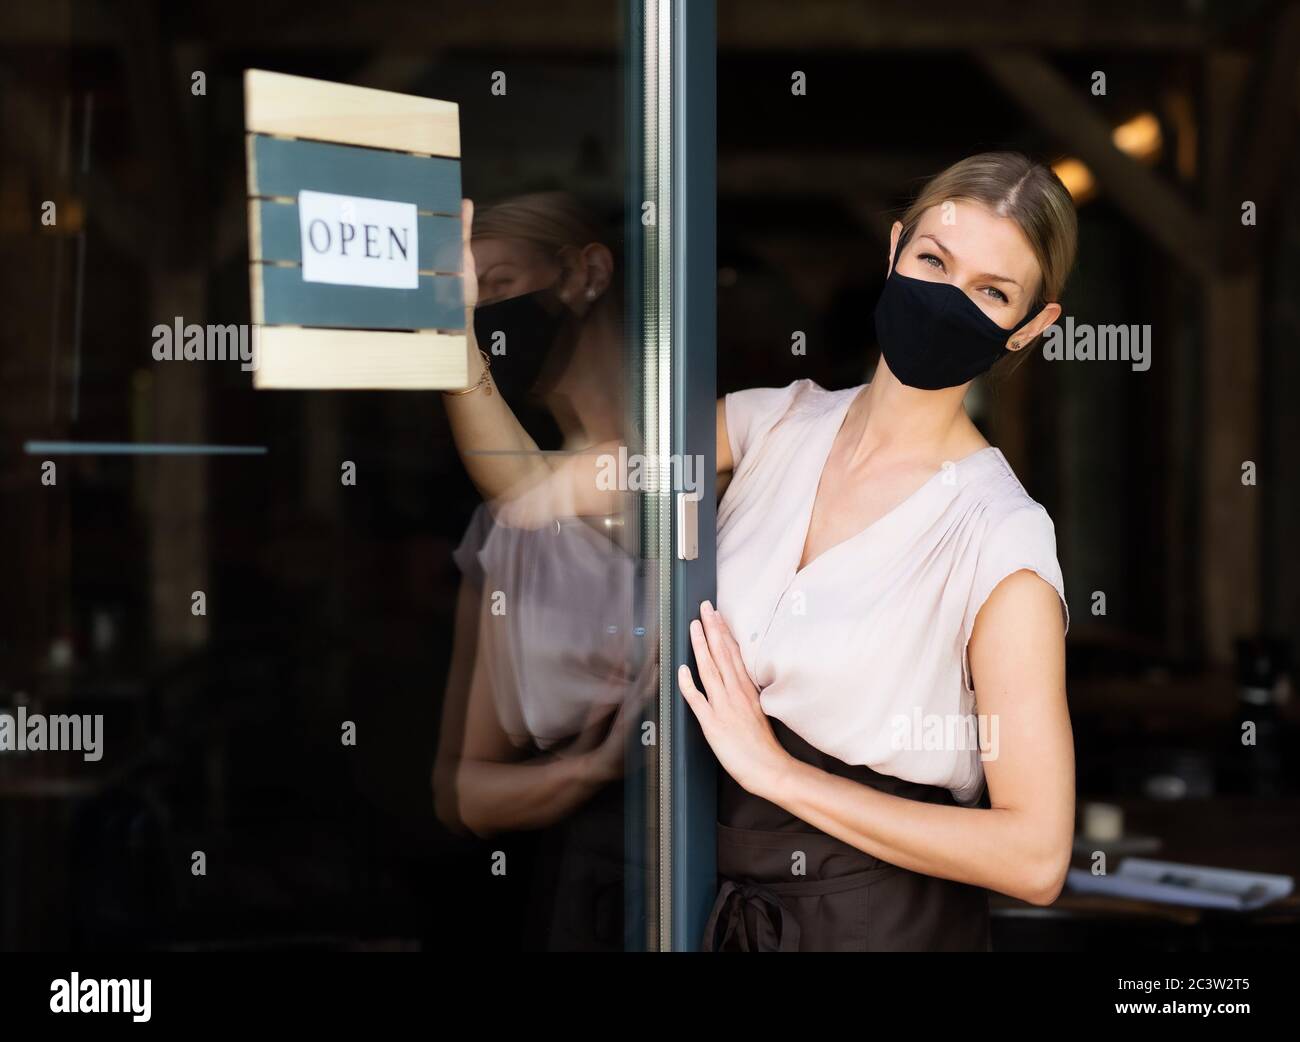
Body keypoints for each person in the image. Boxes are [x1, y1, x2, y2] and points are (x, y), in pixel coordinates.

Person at [679, 151, 1077, 950]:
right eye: (934, 261)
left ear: (1032, 325)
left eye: (991, 291)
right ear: (895, 249)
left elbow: (1037, 857)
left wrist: (779, 775)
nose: (945, 300)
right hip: (723, 900)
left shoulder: (1000, 535)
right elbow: (551, 485)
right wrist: (464, 356)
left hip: (881, 925)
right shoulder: (774, 422)